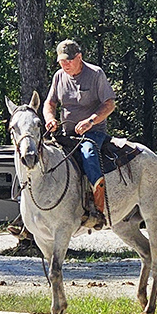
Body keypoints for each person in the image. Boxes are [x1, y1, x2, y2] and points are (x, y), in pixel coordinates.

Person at [43, 39, 116, 228]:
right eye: (61, 61)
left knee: (88, 154)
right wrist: (50, 119)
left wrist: (90, 121)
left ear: (79, 57)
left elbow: (109, 104)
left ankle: (97, 210)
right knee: (39, 157)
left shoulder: (95, 74)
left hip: (93, 133)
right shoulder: (59, 77)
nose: (65, 65)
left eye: (68, 60)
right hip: (66, 135)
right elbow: (49, 104)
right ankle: (32, 215)